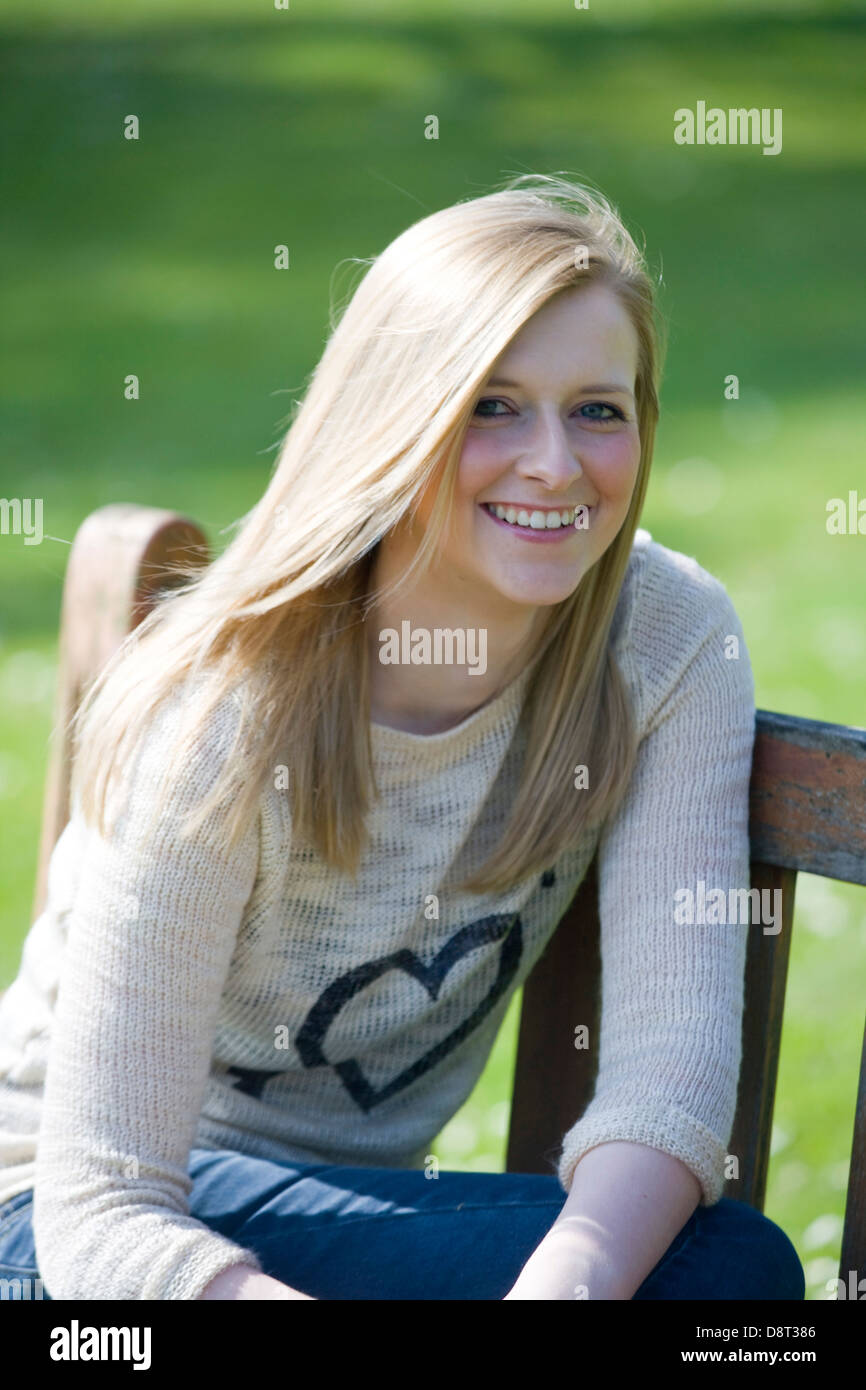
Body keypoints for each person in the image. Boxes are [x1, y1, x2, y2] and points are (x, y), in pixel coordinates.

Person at [0, 174, 804, 1301]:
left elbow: (667, 1079)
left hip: (338, 1220)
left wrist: (565, 1285)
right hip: (66, 1233)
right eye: (490, 404)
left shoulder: (663, 641)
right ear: (396, 419)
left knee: (717, 1275)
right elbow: (101, 1205)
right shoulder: (225, 704)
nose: (552, 463)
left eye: (596, 409)